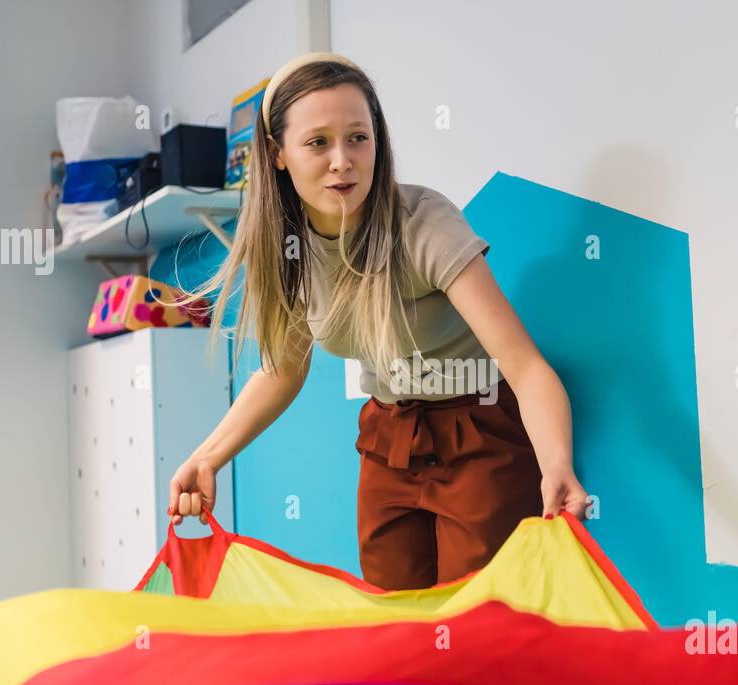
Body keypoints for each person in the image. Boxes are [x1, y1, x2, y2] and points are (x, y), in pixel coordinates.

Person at [166, 52, 588, 590]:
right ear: (278, 154)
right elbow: (283, 370)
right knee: (395, 613)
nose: (342, 160)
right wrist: (207, 458)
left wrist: (556, 465)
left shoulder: (424, 224)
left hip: (478, 429)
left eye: (358, 138)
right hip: (389, 437)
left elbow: (524, 366)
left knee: (473, 619)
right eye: (318, 142)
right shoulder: (288, 248)